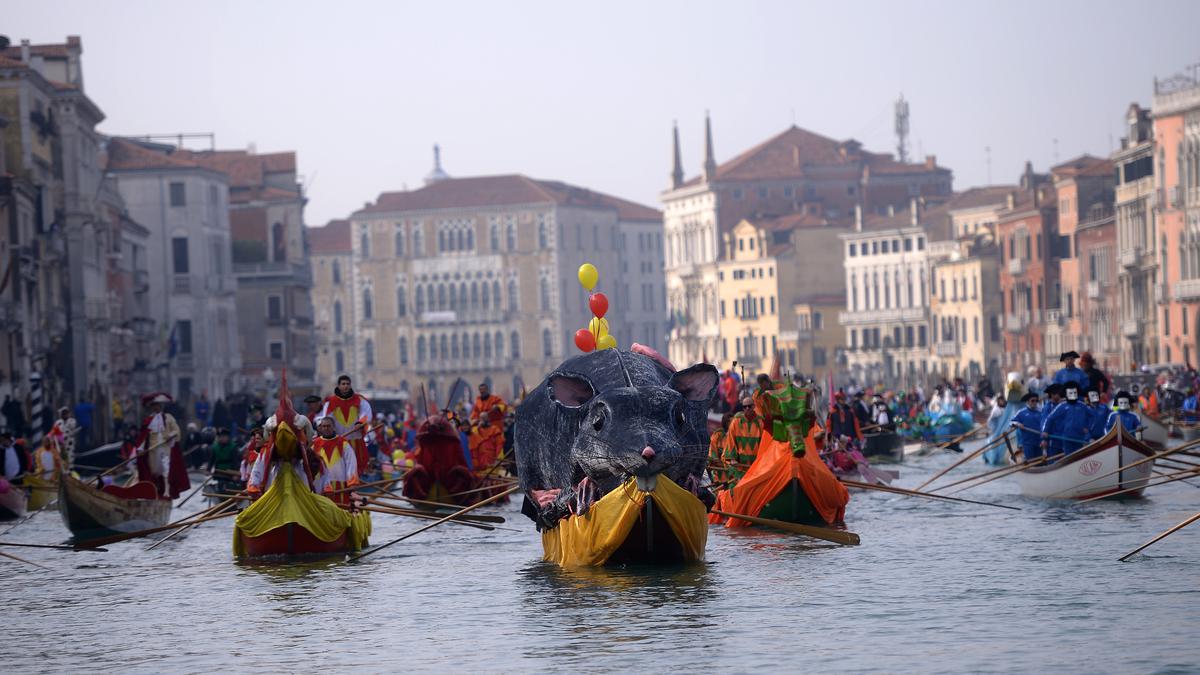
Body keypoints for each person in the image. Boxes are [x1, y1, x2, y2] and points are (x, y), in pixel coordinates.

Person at [132, 393, 191, 499]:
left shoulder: (169, 418)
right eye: (154, 405)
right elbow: (143, 437)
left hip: (165, 448)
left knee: (166, 470)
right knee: (153, 471)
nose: (156, 407)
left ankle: (167, 492)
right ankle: (154, 492)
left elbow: (176, 431)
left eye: (158, 405)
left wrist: (170, 435)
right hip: (153, 450)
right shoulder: (148, 420)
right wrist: (140, 449)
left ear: (161, 406)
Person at [320, 375, 373, 472]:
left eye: (348, 384)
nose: (346, 386)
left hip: (356, 441)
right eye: (343, 384)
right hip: (339, 441)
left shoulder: (359, 400)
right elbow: (327, 419)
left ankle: (357, 483)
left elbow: (366, 413)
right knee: (340, 467)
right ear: (338, 386)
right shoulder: (330, 402)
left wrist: (360, 422)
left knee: (358, 466)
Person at [311, 417, 360, 504]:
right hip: (322, 487)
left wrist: (352, 484)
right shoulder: (315, 444)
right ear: (320, 428)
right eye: (324, 426)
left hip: (341, 486)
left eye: (328, 426)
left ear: (334, 427)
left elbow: (351, 463)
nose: (326, 428)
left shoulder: (343, 443)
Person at [1041, 381, 1092, 459]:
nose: (1073, 395)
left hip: (1081, 439)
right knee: (1070, 459)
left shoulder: (1083, 405)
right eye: (1070, 393)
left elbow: (1093, 417)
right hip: (1067, 438)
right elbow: (1050, 418)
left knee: (1081, 458)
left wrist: (1088, 429)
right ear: (1066, 394)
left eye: (1075, 393)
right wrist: (1045, 431)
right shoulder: (1062, 406)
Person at [468, 382, 507, 472]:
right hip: (482, 429)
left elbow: (503, 406)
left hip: (494, 427)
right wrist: (475, 420)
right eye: (481, 390)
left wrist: (497, 407)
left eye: (484, 390)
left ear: (487, 390)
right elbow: (474, 416)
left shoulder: (495, 399)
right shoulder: (477, 401)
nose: (482, 392)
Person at [725, 396, 765, 478]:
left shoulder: (761, 422)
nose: (747, 408)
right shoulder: (736, 421)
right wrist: (732, 458)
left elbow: (764, 443)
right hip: (740, 465)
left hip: (756, 465)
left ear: (754, 406)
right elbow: (731, 440)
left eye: (749, 406)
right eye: (744, 407)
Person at [1010, 393, 1044, 461]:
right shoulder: (1021, 412)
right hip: (1028, 443)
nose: (1035, 402)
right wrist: (1018, 424)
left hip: (1039, 442)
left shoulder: (1041, 412)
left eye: (1036, 401)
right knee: (1030, 461)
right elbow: (1011, 422)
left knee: (1040, 462)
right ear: (1028, 402)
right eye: (1032, 401)